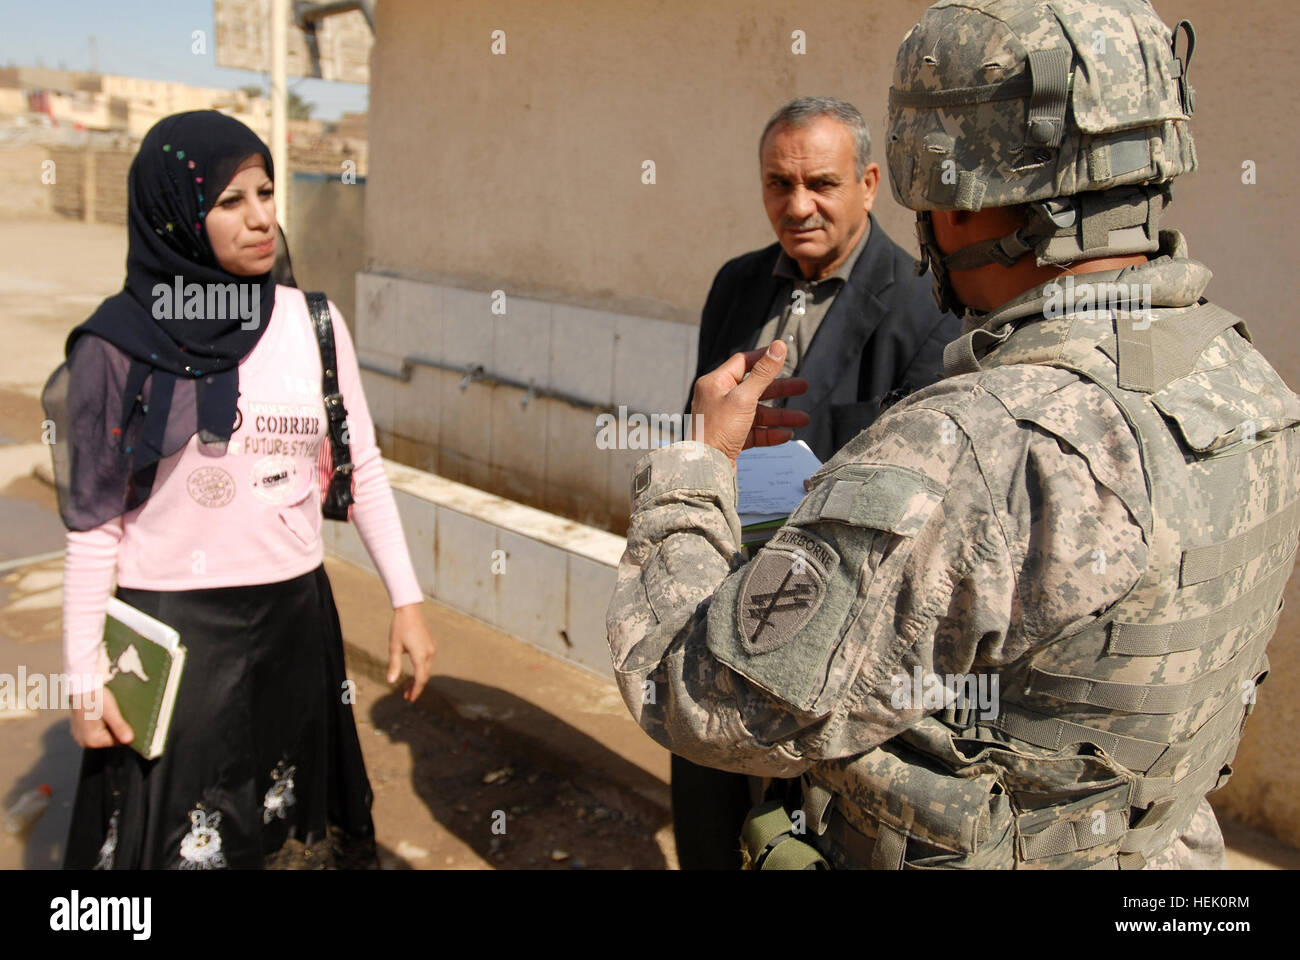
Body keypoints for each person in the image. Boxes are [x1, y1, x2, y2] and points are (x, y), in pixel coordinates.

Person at [608, 0, 1300, 869]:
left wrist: (696, 464)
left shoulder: (979, 439)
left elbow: (692, 690)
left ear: (945, 189)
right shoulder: (1245, 385)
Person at [42, 110, 437, 870]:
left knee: (283, 831)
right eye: (230, 202)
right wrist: (84, 675)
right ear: (177, 216)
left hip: (295, 621)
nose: (262, 218)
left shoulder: (312, 323)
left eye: (266, 192)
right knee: (175, 844)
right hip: (177, 634)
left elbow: (365, 470)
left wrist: (406, 600)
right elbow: (94, 528)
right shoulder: (115, 348)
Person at [674, 96, 959, 868]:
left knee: (803, 840)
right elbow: (696, 431)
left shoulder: (927, 308)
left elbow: (918, 507)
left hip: (832, 642)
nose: (797, 206)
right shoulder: (734, 286)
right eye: (778, 183)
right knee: (706, 817)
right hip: (716, 609)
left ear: (869, 183)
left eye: (821, 184)